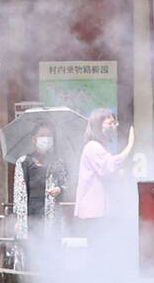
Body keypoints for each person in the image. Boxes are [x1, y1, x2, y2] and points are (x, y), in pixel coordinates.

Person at [10, 123, 67, 268]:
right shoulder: (23, 162)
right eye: (42, 135)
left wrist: (60, 189)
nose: (46, 139)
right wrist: (17, 218)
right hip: (29, 214)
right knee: (29, 252)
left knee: (49, 252)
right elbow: (18, 192)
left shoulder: (58, 163)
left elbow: (67, 185)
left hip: (50, 214)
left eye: (49, 136)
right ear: (34, 139)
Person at [73, 108, 135, 239]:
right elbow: (109, 167)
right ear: (98, 124)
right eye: (110, 123)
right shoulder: (92, 146)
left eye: (115, 123)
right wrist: (129, 146)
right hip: (95, 212)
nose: (114, 127)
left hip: (100, 211)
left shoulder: (99, 147)